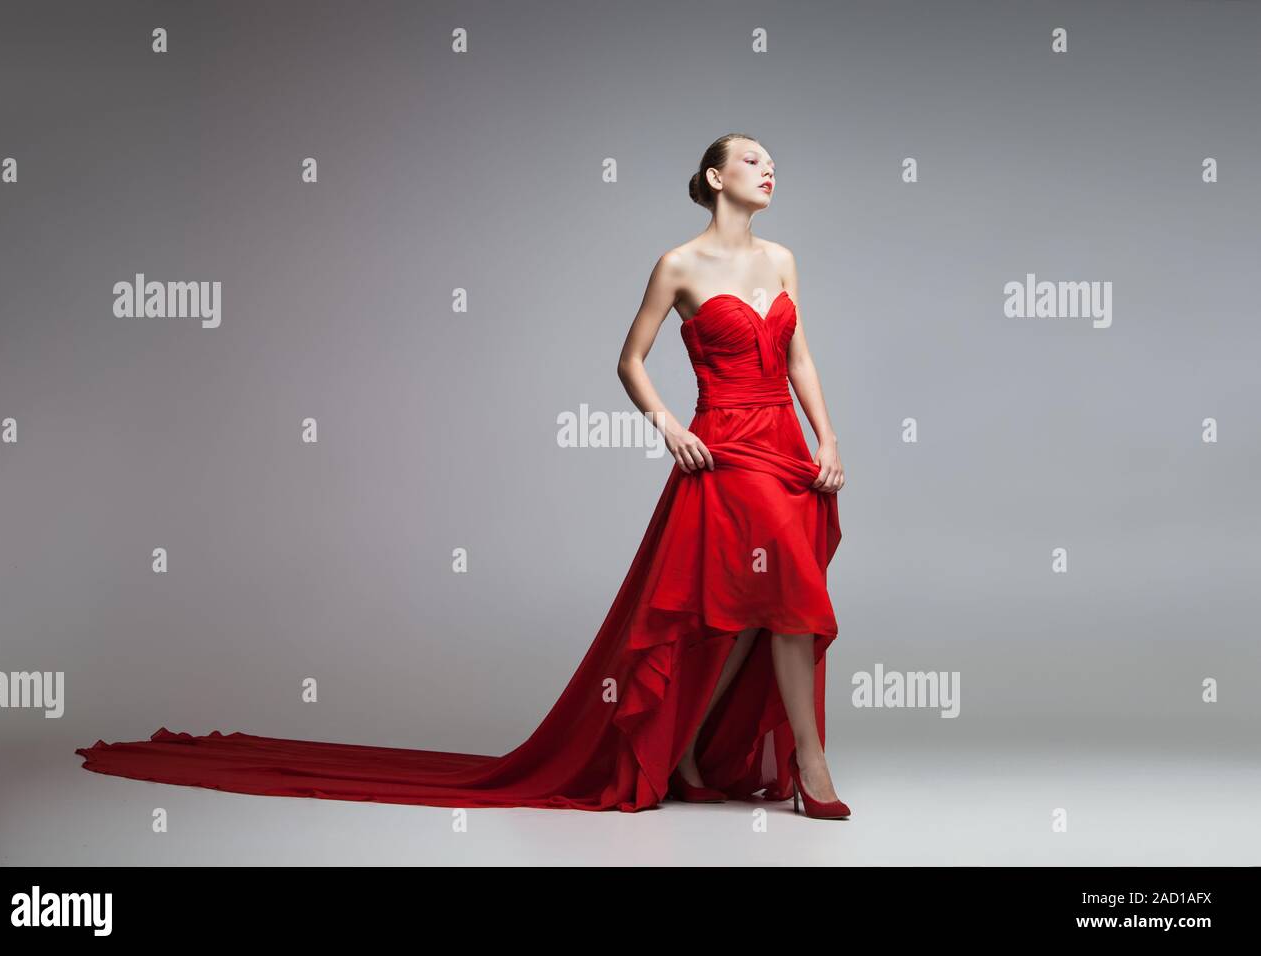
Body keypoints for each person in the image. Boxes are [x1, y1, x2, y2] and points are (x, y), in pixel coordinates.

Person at [76, 133, 851, 819]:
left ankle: (684, 747)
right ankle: (809, 770)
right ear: (715, 177)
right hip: (720, 447)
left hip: (783, 444)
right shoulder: (678, 265)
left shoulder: (781, 260)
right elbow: (629, 360)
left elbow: (799, 359)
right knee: (784, 599)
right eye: (752, 158)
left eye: (773, 162)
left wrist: (829, 438)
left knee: (762, 608)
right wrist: (670, 427)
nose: (767, 169)